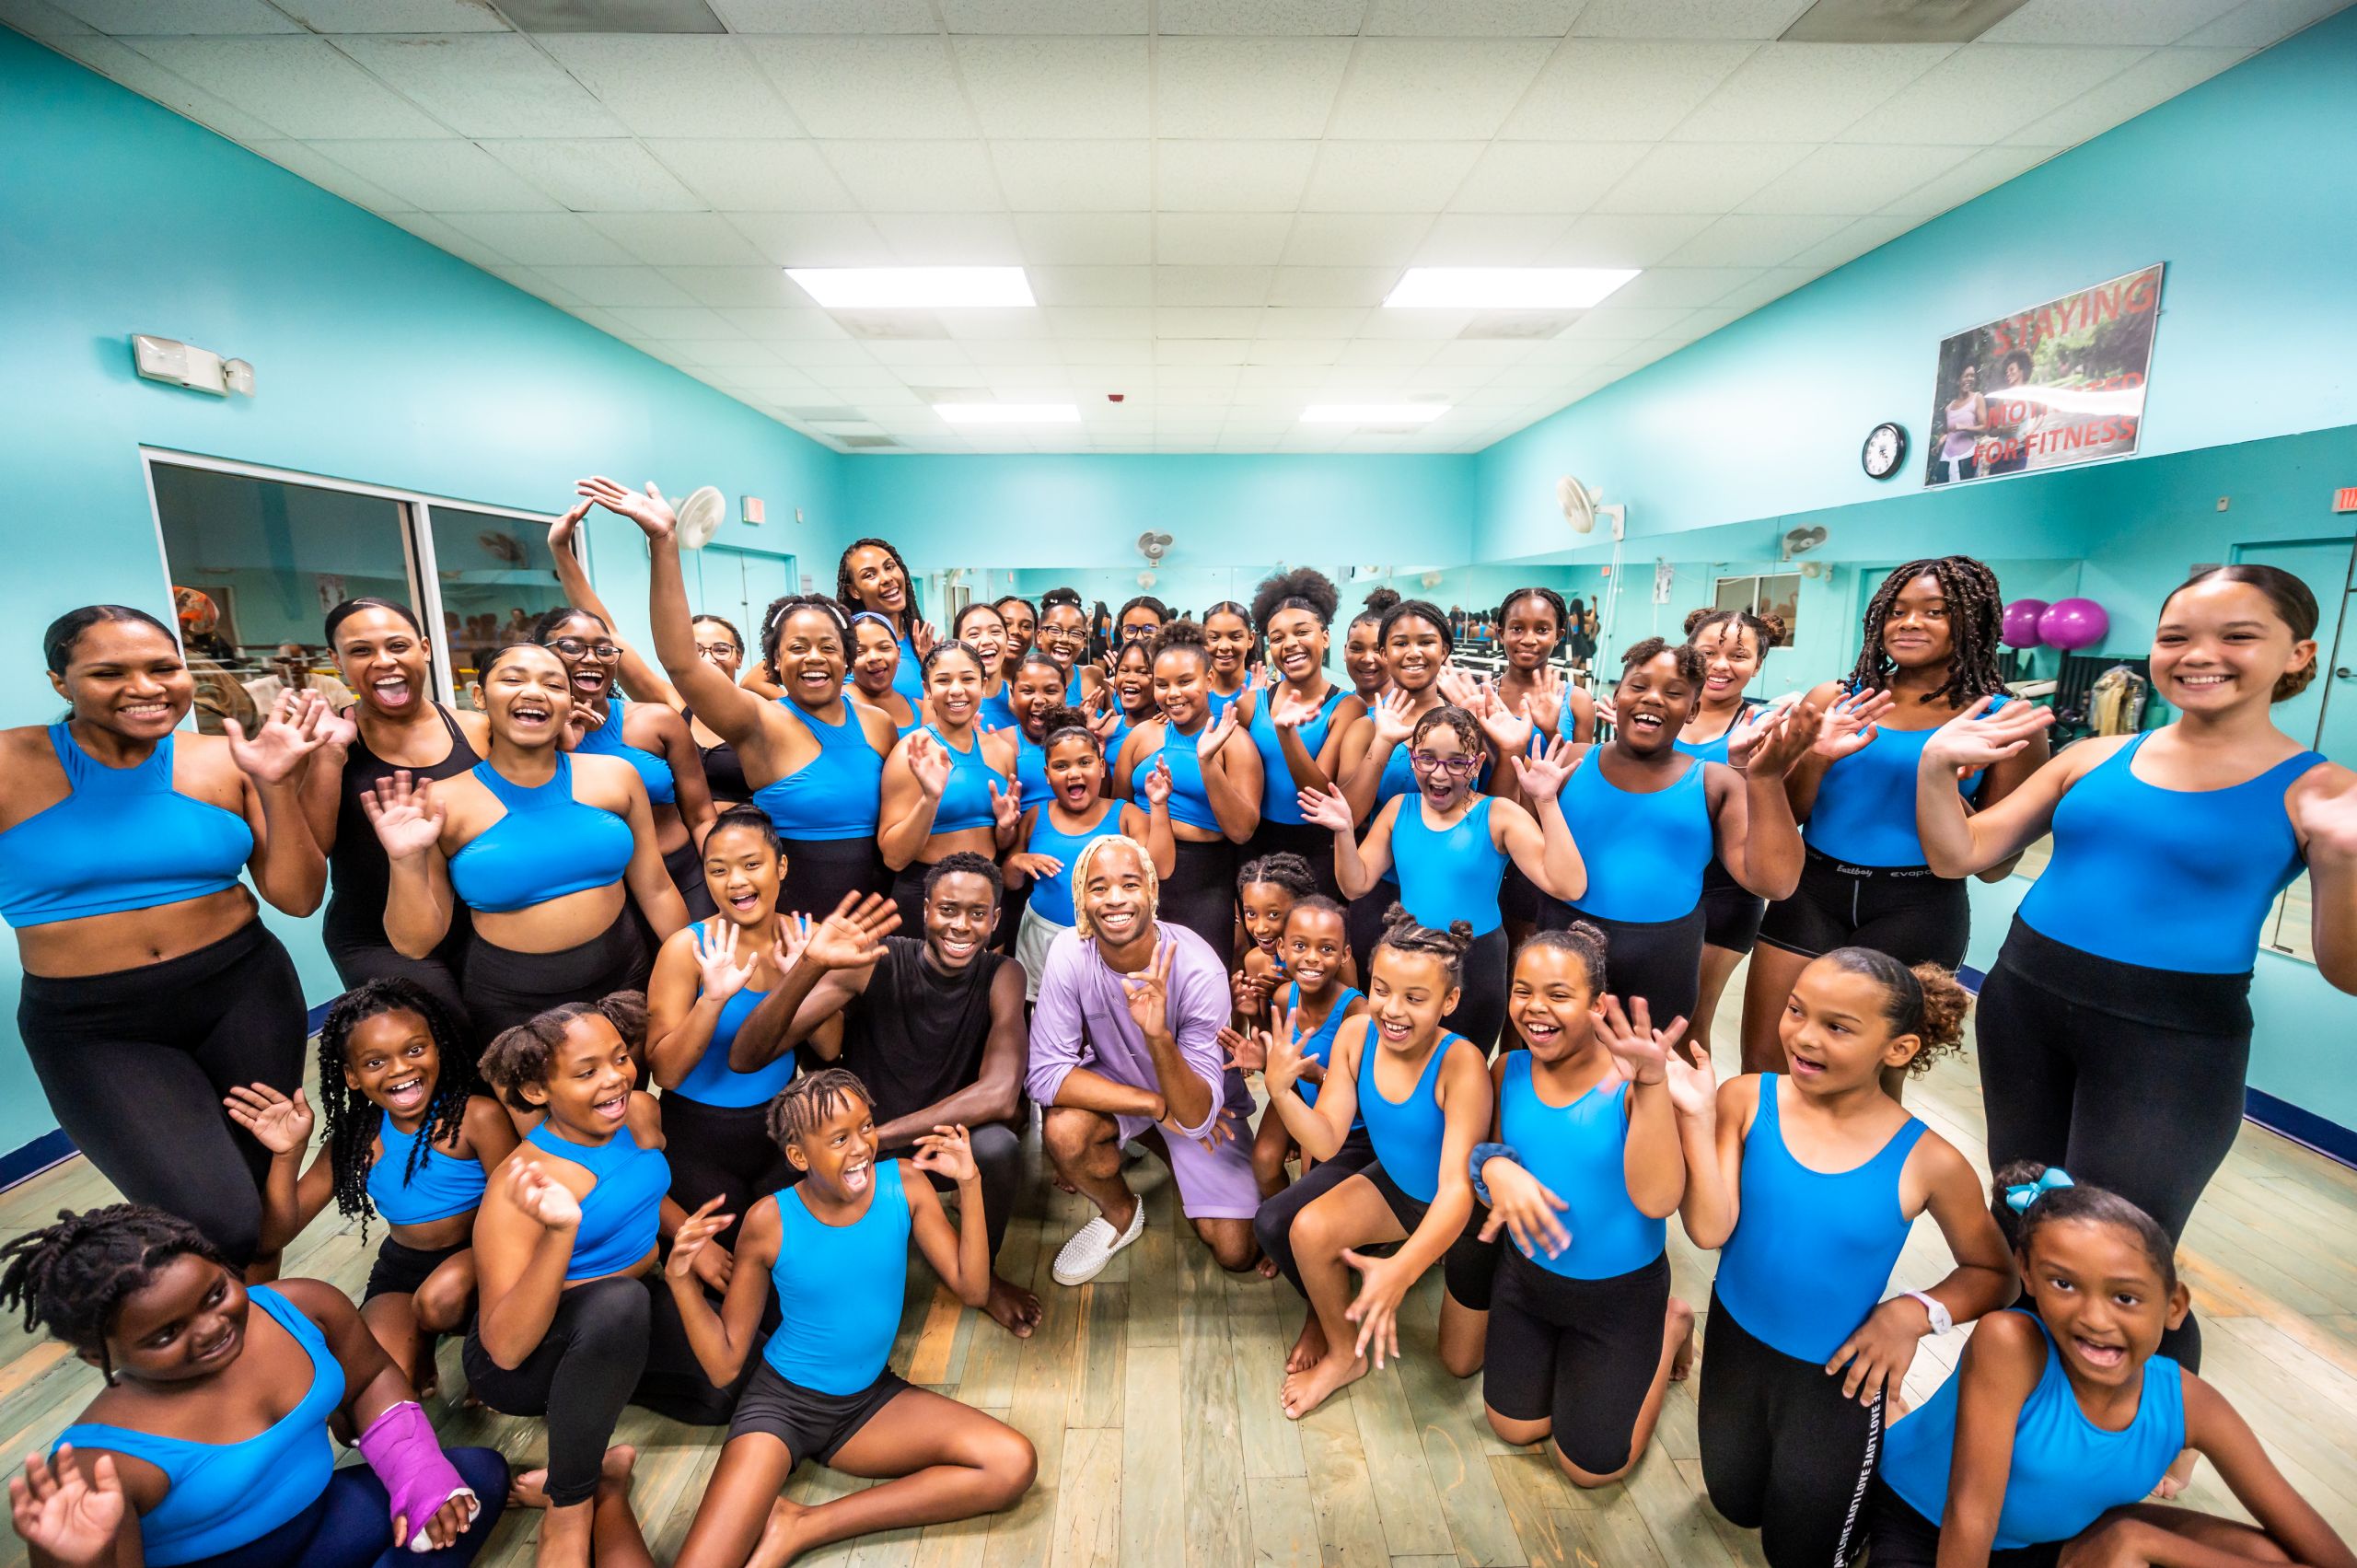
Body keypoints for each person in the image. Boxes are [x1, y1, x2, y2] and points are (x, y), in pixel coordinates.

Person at [1915, 563, 2355, 1370]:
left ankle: (2152, 1440)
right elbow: (1962, 853)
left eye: (2237, 636)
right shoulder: (2094, 756)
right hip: (2026, 1003)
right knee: (2025, 1212)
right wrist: (1936, 766)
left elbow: (2346, 969)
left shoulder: (2321, 794)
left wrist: (2347, 854)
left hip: (2173, 1040)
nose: (2200, 654)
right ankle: (2015, 1400)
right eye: (2176, 636)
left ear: (2299, 654)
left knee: (2120, 1251)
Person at [0, 606, 330, 1267]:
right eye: (108, 672)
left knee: (262, 1189)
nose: (146, 686)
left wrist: (276, 786)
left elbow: (297, 897)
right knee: (219, 1216)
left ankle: (270, 1338)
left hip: (243, 993)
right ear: (60, 681)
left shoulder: (222, 758)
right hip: (96, 1026)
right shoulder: (11, 763)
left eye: (163, 667)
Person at [1678, 948, 2015, 1568]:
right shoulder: (1745, 1098)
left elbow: (1996, 1274)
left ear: (1899, 1048)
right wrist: (1697, 1119)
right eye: (1796, 1010)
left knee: (1799, 1556)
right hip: (1734, 1341)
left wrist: (1914, 1314)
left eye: (1837, 1026)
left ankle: (1879, 1457)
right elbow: (1705, 1229)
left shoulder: (1929, 1159)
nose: (1803, 1035)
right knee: (1733, 1504)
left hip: (1836, 1377)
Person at [1868, 1164, 2357, 1568]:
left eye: (2125, 1297)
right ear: (2028, 1276)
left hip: (2057, 1539)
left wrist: (2139, 1541)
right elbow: (1970, 1513)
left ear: (2173, 1306)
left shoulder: (2188, 1402)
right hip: (1928, 1530)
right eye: (2063, 1284)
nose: (2094, 1318)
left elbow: (2315, 1543)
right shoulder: (2010, 1343)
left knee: (2266, 1552)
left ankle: (2131, 1539)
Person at [663, 1074, 1037, 1567]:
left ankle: (802, 1526)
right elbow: (725, 1366)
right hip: (782, 1408)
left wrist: (969, 1184)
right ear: (800, 1156)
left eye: (866, 1126)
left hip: (867, 1404)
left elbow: (973, 1289)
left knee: (1012, 1464)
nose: (861, 1147)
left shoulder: (904, 1183)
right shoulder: (768, 1222)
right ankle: (606, 1492)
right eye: (839, 1139)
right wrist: (681, 1281)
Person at [0, 1203, 505, 1568]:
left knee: (474, 1479)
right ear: (98, 1356)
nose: (212, 1327)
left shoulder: (305, 1308)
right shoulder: (94, 1465)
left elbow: (370, 1379)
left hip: (322, 1521)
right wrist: (77, 1562)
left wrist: (416, 1473)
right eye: (166, 1334)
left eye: (215, 1293)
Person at [466, 997, 747, 1568]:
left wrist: (694, 1238)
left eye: (619, 1058)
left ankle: (594, 1432)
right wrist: (560, 1233)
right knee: (618, 1305)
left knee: (729, 1391)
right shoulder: (522, 1183)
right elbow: (505, 1347)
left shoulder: (638, 1112)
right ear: (539, 1091)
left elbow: (640, 1186)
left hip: (627, 1315)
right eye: (586, 1071)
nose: (615, 1078)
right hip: (532, 1356)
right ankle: (568, 1507)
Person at [1743, 556, 2044, 1075]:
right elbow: (1788, 812)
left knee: (1869, 1084)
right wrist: (1816, 756)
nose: (1909, 623)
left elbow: (1994, 866)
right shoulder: (1837, 699)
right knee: (1767, 1065)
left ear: (1973, 623)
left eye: (1934, 611)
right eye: (1898, 611)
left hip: (1917, 906)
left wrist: (1943, 779)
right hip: (1812, 891)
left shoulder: (2004, 721)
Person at [726, 865, 1043, 1337]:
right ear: (926, 910)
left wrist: (881, 1135)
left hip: (928, 1142)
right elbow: (745, 1056)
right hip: (854, 1146)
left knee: (997, 1148)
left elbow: (1000, 1093)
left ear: (996, 920)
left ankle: (982, 1270)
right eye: (949, 910)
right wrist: (812, 965)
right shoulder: (875, 961)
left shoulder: (1005, 975)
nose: (961, 925)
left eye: (977, 914)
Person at [1446, 928, 1695, 1488]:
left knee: (1588, 1470)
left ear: (1597, 1005)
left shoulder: (1631, 1085)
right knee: (1512, 1426)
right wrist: (1493, 1166)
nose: (1535, 1007)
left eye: (1558, 994)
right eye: (1522, 990)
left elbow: (1658, 1200)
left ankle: (1671, 1327)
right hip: (1527, 1283)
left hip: (1619, 1298)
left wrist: (1653, 1084)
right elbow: (1483, 1162)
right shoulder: (1505, 1069)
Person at [584, 476, 896, 921]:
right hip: (789, 922)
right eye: (797, 647)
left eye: (829, 647)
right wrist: (664, 542)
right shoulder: (758, 722)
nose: (814, 658)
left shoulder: (878, 724)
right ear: (774, 662)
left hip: (874, 916)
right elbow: (682, 663)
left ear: (847, 660)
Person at [360, 642, 688, 1046]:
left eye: (552, 684)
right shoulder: (441, 802)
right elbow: (415, 944)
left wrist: (689, 971)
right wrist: (405, 860)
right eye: (513, 679)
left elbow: (655, 888)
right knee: (539, 1108)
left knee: (628, 1101)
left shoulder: (617, 777)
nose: (533, 692)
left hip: (623, 978)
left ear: (569, 704)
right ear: (480, 697)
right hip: (512, 1001)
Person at [1250, 911, 1492, 1420]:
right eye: (1382, 990)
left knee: (1458, 1363)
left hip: (1466, 1214)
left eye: (1415, 998)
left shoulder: (1460, 1063)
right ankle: (1345, 1354)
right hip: (1401, 1189)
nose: (1393, 1010)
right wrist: (1280, 1089)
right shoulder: (1358, 1033)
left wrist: (1402, 1270)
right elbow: (1327, 1135)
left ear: (1450, 1002)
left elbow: (1456, 1191)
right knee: (1307, 1228)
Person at [225, 979, 517, 1392]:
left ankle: (481, 1340)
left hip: (480, 1254)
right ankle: (420, 1348)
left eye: (415, 1049)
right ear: (352, 1076)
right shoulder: (354, 1138)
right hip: (403, 1269)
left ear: (438, 1047)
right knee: (361, 1399)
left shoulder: (477, 1118)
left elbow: (520, 1213)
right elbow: (272, 1237)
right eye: (375, 1062)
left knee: (440, 1300)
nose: (400, 1068)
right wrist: (288, 1154)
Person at [1527, 638, 1815, 1029]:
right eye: (1639, 686)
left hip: (1662, 955)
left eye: (1674, 693)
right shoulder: (1570, 761)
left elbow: (1775, 884)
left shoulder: (1715, 782)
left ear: (1692, 709)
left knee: (1645, 1075)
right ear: (1617, 694)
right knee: (1554, 1059)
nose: (1654, 699)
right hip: (1564, 937)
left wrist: (1764, 778)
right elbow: (1521, 842)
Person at [1029, 835, 1260, 1285]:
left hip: (1199, 1102)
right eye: (1098, 887)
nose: (1115, 899)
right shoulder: (1068, 952)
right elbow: (1044, 1074)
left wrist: (1158, 1037)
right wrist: (1154, 1106)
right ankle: (1121, 1214)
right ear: (1082, 898)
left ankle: (1160, 1146)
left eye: (1129, 884)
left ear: (1152, 893)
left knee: (1237, 1252)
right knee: (1065, 1132)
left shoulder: (1197, 967)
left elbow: (1195, 1118)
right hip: (1131, 1091)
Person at [1303, 704, 1585, 1051]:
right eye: (1428, 759)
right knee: (1403, 1064)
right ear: (1412, 759)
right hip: (1409, 958)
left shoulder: (1498, 815)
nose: (1439, 774)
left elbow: (1569, 885)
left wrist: (1546, 801)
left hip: (1476, 963)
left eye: (1456, 762)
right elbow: (1355, 884)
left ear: (1477, 764)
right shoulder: (1397, 810)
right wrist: (1344, 831)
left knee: (1466, 1065)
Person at [304, 597, 490, 1028]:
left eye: (398, 646)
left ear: (424, 648)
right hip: (374, 935)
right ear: (337, 660)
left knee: (497, 1042)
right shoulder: (326, 740)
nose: (383, 661)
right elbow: (313, 849)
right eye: (361, 650)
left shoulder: (478, 728)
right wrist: (329, 756)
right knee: (446, 1031)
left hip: (477, 923)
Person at [644, 806, 807, 1253]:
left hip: (778, 1129)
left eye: (751, 865)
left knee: (786, 1264)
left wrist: (803, 979)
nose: (735, 881)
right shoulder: (686, 949)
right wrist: (711, 1001)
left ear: (781, 866)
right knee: (729, 1272)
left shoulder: (802, 939)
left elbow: (829, 1045)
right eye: (718, 870)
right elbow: (667, 1074)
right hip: (700, 1138)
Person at [546, 499, 759, 806]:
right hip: (690, 845)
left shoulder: (761, 709)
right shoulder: (670, 703)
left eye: (721, 649)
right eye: (696, 649)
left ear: (739, 656)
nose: (709, 658)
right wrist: (562, 551)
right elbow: (606, 631)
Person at [534, 600, 716, 918]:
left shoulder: (658, 721)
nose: (591, 658)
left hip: (682, 876)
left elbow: (701, 815)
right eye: (572, 647)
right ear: (540, 655)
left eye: (604, 650)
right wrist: (561, 745)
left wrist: (721, 877)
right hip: (595, 891)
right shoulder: (525, 742)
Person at [1110, 621, 1262, 958]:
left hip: (1203, 882)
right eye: (1162, 685)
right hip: (1137, 872)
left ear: (1208, 680)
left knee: (1201, 984)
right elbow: (1118, 807)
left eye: (1184, 681)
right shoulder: (1141, 737)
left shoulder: (1235, 743)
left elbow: (1242, 831)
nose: (1172, 694)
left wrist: (1207, 762)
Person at [1004, 713, 1174, 1000]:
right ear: (1047, 775)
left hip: (1109, 935)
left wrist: (1158, 806)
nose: (1074, 773)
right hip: (1041, 936)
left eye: (1085, 762)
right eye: (1061, 766)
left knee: (1104, 1013)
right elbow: (1010, 882)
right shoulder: (1034, 816)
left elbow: (1162, 869)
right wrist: (1017, 862)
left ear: (1102, 767)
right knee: (1045, 1013)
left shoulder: (1126, 815)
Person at [1675, 606, 1782, 1054]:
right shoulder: (1662, 710)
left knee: (1688, 1026)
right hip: (1662, 880)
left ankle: (1693, 1122)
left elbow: (1771, 819)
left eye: (1738, 655)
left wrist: (1743, 764)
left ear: (1757, 666)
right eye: (1709, 652)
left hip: (1725, 892)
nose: (1721, 665)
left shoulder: (1764, 727)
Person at [1333, 598, 1458, 970]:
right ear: (1385, 654)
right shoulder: (1366, 727)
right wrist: (1383, 743)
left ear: (1445, 650)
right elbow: (1350, 815)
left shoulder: (1469, 723)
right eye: (1401, 643)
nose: (1413, 653)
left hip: (1451, 883)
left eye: (1426, 642)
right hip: (1380, 889)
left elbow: (1493, 805)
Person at [1235, 568, 1365, 899]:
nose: (1289, 644)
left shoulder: (1347, 706)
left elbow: (1320, 796)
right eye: (1277, 638)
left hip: (1318, 849)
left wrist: (1286, 733)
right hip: (1259, 846)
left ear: (1324, 637)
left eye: (1302, 632)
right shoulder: (1251, 705)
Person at [1227, 895, 1364, 1203]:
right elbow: (1280, 1061)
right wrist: (1252, 1015)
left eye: (1326, 949)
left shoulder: (1357, 1013)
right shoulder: (1283, 996)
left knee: (1312, 1185)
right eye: (1300, 946)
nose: (1312, 957)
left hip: (1344, 1121)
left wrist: (1315, 1074)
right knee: (1263, 1162)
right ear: (1282, 949)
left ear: (1344, 955)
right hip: (1300, 1094)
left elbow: (1366, 1095)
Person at [877, 640, 1019, 934]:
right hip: (925, 895)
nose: (957, 690)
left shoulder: (1002, 753)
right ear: (927, 691)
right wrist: (930, 799)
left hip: (986, 892)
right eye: (943, 680)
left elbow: (1000, 843)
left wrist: (1006, 828)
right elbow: (893, 857)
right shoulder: (911, 752)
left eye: (967, 679)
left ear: (982, 684)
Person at [1487, 586, 1596, 947]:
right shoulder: (1480, 698)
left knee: (1528, 947)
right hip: (1487, 842)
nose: (1528, 639)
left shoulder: (1577, 702)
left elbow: (1584, 786)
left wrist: (1551, 730)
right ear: (1499, 631)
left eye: (1542, 629)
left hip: (1543, 845)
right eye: (1517, 628)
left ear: (1559, 635)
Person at [838, 538, 932, 709]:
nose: (886, 578)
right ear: (854, 591)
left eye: (889, 567)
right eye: (870, 575)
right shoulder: (846, 647)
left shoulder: (922, 643)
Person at [849, 610, 923, 737]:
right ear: (848, 658)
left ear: (898, 654)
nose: (874, 657)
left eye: (884, 648)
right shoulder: (839, 705)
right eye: (860, 651)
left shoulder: (920, 707)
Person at [952, 602, 1017, 734]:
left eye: (995, 631)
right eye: (974, 634)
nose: (987, 641)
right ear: (958, 644)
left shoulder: (1021, 699)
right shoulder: (951, 702)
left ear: (1007, 639)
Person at [241, 641, 354, 714]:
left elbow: (352, 716)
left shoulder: (331, 684)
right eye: (285, 661)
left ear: (309, 663)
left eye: (299, 660)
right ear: (274, 663)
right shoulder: (254, 689)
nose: (294, 665)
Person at [1201, 599, 1256, 722]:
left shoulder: (1266, 692)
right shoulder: (1192, 692)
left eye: (1235, 637)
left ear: (1250, 639)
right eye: (1214, 638)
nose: (1224, 646)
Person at [1341, 588, 1396, 708]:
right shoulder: (1340, 707)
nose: (1367, 659)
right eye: (1357, 648)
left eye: (1378, 650)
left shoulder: (1408, 709)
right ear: (1345, 651)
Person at [1938, 361, 1984, 483]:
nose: (1970, 379)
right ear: (1958, 380)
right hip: (1946, 458)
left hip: (1967, 457)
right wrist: (1941, 440)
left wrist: (1964, 427)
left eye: (1972, 376)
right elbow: (1946, 432)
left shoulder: (1977, 398)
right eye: (1966, 376)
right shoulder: (1949, 407)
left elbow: (1985, 427)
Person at [994, 594, 1036, 684]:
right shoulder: (973, 680)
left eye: (1026, 626)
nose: (1016, 631)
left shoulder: (1042, 678)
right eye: (1006, 624)